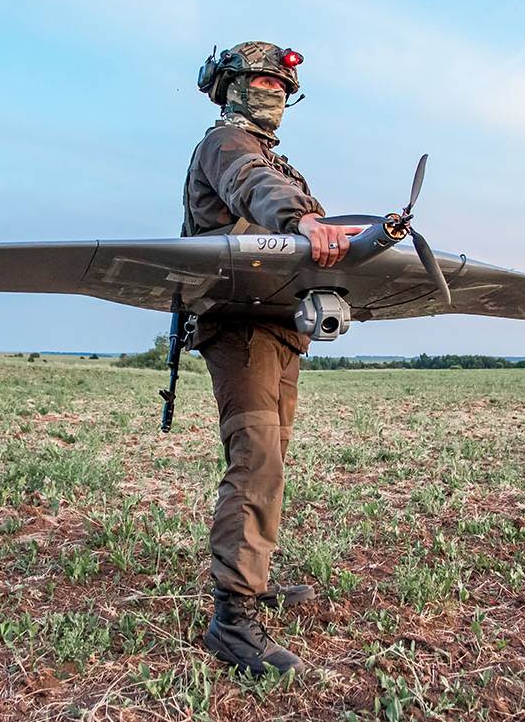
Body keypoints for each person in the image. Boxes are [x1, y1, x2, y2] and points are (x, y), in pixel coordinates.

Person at [183, 41, 359, 675]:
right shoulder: (227, 145)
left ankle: (251, 578)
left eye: (282, 85)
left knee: (271, 460)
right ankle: (232, 619)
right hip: (240, 328)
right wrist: (303, 219)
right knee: (256, 461)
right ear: (230, 86)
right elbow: (250, 187)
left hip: (279, 328)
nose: (273, 92)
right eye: (261, 80)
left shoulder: (273, 158)